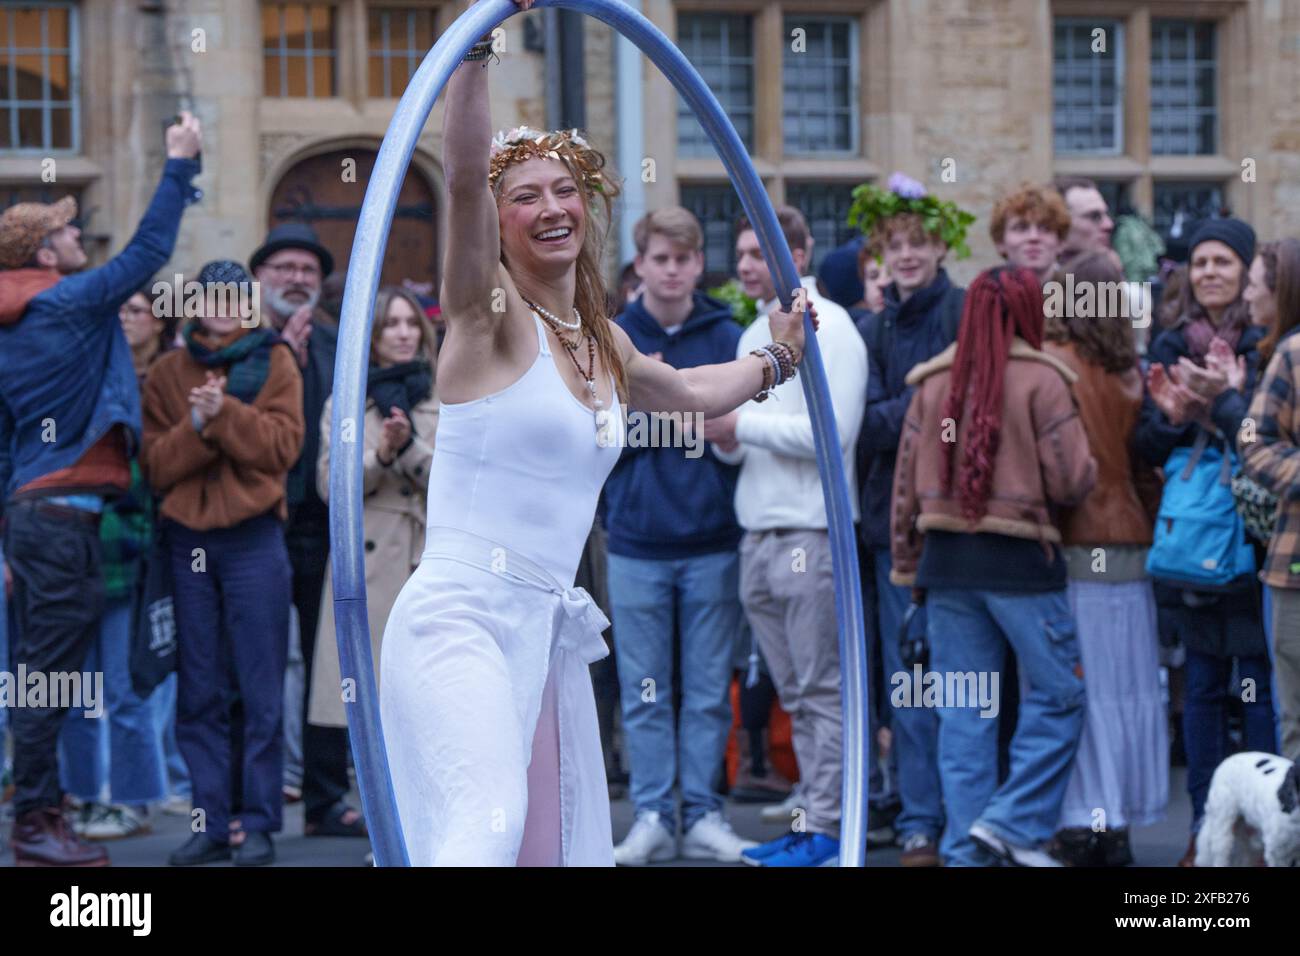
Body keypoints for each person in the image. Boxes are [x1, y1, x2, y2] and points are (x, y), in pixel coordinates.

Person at [378, 0, 814, 867]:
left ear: (588, 208)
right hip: (458, 616)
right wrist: (479, 41)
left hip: (544, 623)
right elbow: (463, 177)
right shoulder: (486, 316)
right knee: (489, 821)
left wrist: (777, 359)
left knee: (560, 840)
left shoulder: (603, 340)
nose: (550, 208)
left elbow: (690, 390)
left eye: (563, 190)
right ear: (499, 224)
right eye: (526, 196)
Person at [0, 113, 202, 866]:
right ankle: (34, 826)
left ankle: (47, 814)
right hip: (61, 520)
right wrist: (179, 163)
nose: (78, 235)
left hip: (38, 518)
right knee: (47, 680)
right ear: (43, 251)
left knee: (44, 676)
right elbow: (151, 251)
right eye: (64, 230)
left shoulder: (17, 319)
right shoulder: (69, 303)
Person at [891, 266, 1097, 867]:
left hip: (947, 568)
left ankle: (963, 852)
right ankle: (1011, 823)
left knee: (965, 716)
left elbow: (904, 492)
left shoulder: (930, 383)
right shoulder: (1045, 378)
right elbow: (1072, 478)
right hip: (1023, 567)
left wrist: (908, 571)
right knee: (1061, 698)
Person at [706, 205, 867, 867]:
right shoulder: (756, 329)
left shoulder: (835, 329)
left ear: (795, 250)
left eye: (759, 252)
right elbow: (741, 449)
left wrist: (739, 429)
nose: (747, 264)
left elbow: (834, 438)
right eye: (740, 253)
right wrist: (722, 437)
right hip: (759, 533)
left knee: (821, 691)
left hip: (811, 532)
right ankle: (813, 825)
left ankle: (828, 831)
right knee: (795, 694)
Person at [141, 260, 304, 866]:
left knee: (261, 685)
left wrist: (226, 415)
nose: (223, 307)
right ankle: (209, 821)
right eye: (211, 297)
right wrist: (197, 423)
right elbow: (155, 467)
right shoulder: (166, 372)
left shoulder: (277, 361)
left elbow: (283, 448)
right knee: (200, 687)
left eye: (234, 297)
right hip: (189, 543)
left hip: (255, 539)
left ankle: (259, 822)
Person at [603, 207, 752, 865]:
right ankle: (655, 814)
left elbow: (740, 436)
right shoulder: (611, 338)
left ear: (698, 264)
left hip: (712, 537)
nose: (671, 270)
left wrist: (668, 412)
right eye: (659, 259)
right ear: (641, 265)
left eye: (683, 259)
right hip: (635, 541)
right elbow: (594, 436)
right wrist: (679, 412)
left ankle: (705, 811)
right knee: (644, 691)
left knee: (707, 687)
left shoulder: (727, 335)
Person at [1135, 217, 1276, 867]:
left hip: (1251, 542)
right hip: (1193, 541)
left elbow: (1268, 439)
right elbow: (1143, 448)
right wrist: (1170, 417)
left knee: (1259, 686)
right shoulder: (1169, 343)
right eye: (1200, 262)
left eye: (1224, 261)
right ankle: (1204, 825)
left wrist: (1228, 398)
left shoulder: (1266, 344)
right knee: (1203, 687)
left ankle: (1267, 822)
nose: (1210, 272)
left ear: (1248, 272)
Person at [850, 172, 969, 866]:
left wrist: (916, 409)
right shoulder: (871, 327)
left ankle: (965, 816)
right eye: (896, 244)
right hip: (888, 529)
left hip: (959, 524)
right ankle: (921, 818)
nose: (909, 255)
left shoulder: (962, 313)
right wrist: (928, 402)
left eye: (920, 242)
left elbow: (969, 405)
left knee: (969, 679)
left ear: (941, 248)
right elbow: (864, 424)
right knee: (911, 679)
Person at [1043, 252, 1169, 866]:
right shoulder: (1130, 373)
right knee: (1131, 686)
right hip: (1133, 545)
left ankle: (1087, 820)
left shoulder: (1056, 367)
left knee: (1089, 693)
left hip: (1078, 544)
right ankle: (1118, 819)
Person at [249, 221, 366, 838]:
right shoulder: (238, 342)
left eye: (307, 271)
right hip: (254, 528)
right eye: (283, 269)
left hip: (323, 529)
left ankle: (325, 799)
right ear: (259, 278)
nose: (296, 279)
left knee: (330, 664)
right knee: (257, 668)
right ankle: (256, 807)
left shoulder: (339, 345)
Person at [308, 286, 439, 734]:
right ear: (372, 335)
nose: (403, 334)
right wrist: (381, 456)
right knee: (373, 714)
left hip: (430, 561)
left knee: (430, 708)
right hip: (369, 568)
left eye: (410, 323)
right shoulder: (345, 404)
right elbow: (330, 488)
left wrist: (410, 450)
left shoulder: (449, 398)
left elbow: (461, 486)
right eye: (390, 325)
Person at [1239, 237, 1300, 763]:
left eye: (1253, 285)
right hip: (1293, 568)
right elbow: (1254, 442)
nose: (1245, 296)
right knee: (1296, 719)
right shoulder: (1293, 355)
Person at [990, 184, 1070, 285]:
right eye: (1021, 228)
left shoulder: (1083, 296)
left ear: (1061, 242)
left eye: (1045, 228)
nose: (1033, 237)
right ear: (1000, 242)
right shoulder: (985, 297)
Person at [1053, 175, 1114, 260]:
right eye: (1094, 216)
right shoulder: (1068, 273)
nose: (1108, 225)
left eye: (1106, 214)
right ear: (1061, 224)